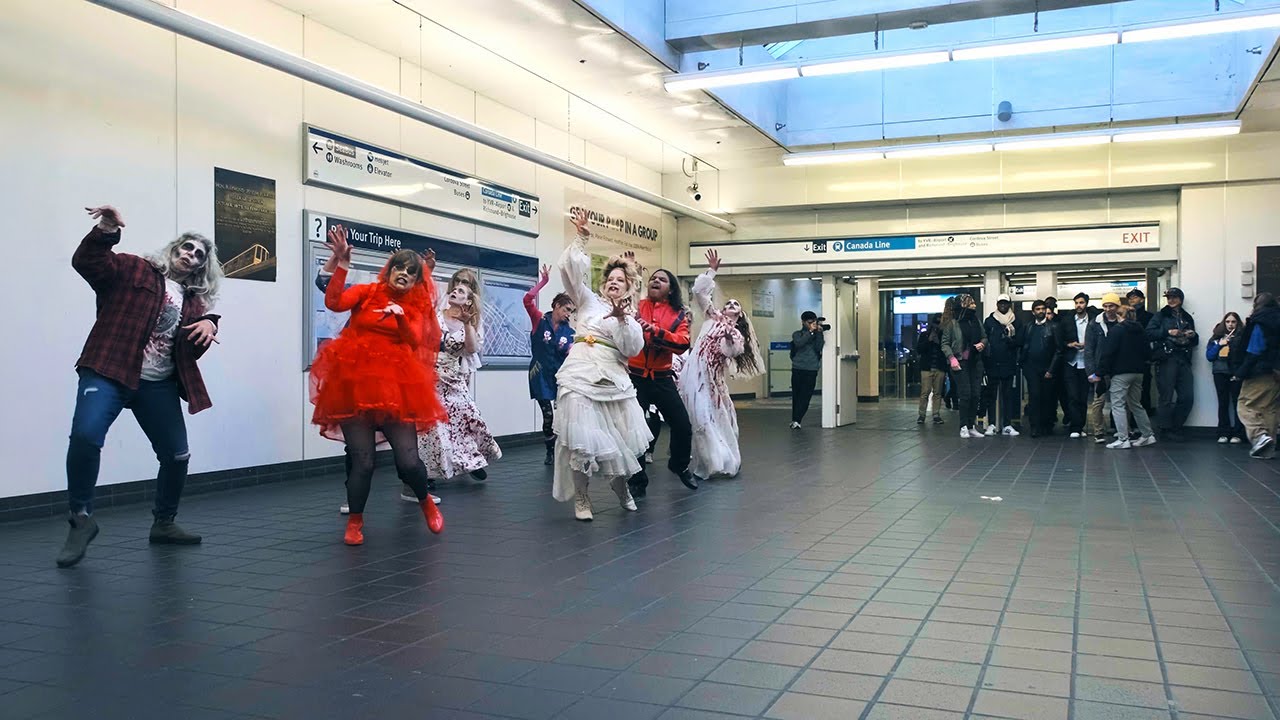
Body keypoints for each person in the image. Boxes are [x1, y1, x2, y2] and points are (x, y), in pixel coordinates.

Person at [57, 206, 224, 568]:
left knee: (177, 455)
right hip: (109, 368)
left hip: (157, 384)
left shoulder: (195, 304)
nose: (190, 255)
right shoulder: (133, 268)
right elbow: (87, 262)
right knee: (86, 436)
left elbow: (189, 353)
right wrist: (106, 229)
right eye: (186, 247)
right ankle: (81, 519)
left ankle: (164, 523)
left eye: (198, 254)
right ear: (174, 249)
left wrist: (210, 327)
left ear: (200, 266)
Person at [308, 224, 446, 545]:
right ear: (390, 270)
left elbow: (413, 340)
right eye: (399, 267)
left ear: (415, 280)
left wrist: (398, 316)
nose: (403, 274)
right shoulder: (368, 292)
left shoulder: (414, 306)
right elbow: (334, 302)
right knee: (363, 460)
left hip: (396, 386)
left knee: (409, 461)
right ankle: (355, 521)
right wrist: (342, 264)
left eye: (411, 273)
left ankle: (424, 501)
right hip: (354, 383)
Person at [553, 214, 649, 520]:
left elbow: (632, 348)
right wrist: (581, 238)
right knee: (581, 441)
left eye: (620, 281)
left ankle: (621, 487)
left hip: (612, 380)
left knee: (615, 440)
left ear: (629, 287)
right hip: (579, 373)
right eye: (610, 280)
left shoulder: (630, 318)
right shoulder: (588, 301)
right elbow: (570, 273)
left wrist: (621, 319)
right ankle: (581, 498)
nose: (613, 284)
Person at [680, 250, 764, 479]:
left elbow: (733, 350)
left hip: (712, 381)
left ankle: (719, 459)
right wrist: (711, 271)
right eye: (729, 302)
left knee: (710, 416)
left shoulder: (736, 333)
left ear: (740, 314)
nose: (731, 304)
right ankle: (702, 458)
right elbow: (699, 292)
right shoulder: (712, 316)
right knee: (696, 416)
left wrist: (728, 336)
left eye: (736, 304)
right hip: (693, 374)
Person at [417, 272, 502, 485]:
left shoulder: (472, 322)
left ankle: (471, 461)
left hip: (455, 378)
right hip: (431, 376)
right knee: (433, 427)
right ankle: (430, 472)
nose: (456, 290)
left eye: (463, 288)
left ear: (470, 299)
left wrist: (467, 325)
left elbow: (472, 349)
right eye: (456, 286)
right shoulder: (437, 313)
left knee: (464, 421)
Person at [627, 261, 695, 497]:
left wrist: (655, 332)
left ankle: (679, 465)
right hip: (634, 377)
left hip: (662, 377)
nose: (655, 281)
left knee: (683, 425)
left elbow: (683, 343)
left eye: (662, 279)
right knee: (634, 428)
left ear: (671, 289)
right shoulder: (637, 305)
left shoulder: (679, 315)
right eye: (653, 278)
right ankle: (637, 477)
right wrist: (631, 271)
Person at [524, 265, 575, 465]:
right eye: (566, 309)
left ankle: (564, 448)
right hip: (540, 374)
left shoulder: (568, 332)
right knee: (548, 415)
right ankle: (550, 451)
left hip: (560, 377)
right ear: (556, 306)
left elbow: (571, 352)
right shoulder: (539, 321)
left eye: (571, 311)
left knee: (563, 415)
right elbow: (527, 300)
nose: (568, 314)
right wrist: (543, 282)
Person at [1098, 305, 1157, 449]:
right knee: (1136, 404)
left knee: (1118, 405)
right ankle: (1147, 435)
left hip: (1120, 372)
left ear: (1119, 316)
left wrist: (1100, 372)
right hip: (1138, 373)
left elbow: (1108, 353)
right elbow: (1148, 353)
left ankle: (1123, 438)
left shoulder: (1117, 330)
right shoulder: (1141, 330)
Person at [1146, 288, 1198, 441]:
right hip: (1167, 357)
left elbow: (1194, 341)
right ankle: (1165, 428)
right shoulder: (1161, 315)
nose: (1171, 300)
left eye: (1174, 297)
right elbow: (1148, 333)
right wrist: (1168, 332)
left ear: (1180, 299)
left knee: (1187, 396)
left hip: (1184, 358)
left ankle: (1176, 426)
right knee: (1166, 396)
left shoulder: (1187, 317)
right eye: (1169, 297)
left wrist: (1193, 335)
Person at [1234, 293, 1280, 459]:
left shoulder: (1260, 321)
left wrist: (1241, 372)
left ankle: (1259, 436)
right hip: (1277, 372)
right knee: (1269, 409)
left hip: (1261, 371)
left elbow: (1255, 349)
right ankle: (1268, 448)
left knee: (1246, 404)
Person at [942, 293, 988, 439]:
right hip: (960, 363)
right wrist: (951, 358)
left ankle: (971, 425)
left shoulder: (975, 321)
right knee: (965, 395)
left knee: (976, 394)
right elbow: (945, 343)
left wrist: (982, 344)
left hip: (975, 362)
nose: (973, 305)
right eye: (970, 303)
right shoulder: (952, 323)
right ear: (962, 305)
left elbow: (984, 336)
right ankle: (963, 426)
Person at [1082, 293, 1122, 444]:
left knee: (1122, 402)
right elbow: (1089, 349)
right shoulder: (1095, 323)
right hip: (1101, 368)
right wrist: (1091, 371)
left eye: (1111, 305)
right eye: (1105, 306)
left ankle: (1121, 429)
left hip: (1119, 368)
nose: (1108, 309)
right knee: (1099, 401)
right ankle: (1098, 432)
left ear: (1117, 306)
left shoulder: (1123, 322)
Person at [1019, 300, 1062, 438]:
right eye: (1037, 309)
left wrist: (1051, 369)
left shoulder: (1054, 327)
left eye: (1043, 308)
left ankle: (1046, 425)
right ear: (1033, 312)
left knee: (1048, 398)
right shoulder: (1028, 327)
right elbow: (1023, 345)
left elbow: (1059, 350)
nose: (1041, 311)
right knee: (1034, 396)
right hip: (1031, 367)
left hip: (1048, 367)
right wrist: (1024, 364)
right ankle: (1035, 426)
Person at [981, 294, 1021, 436]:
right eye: (1001, 303)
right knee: (991, 395)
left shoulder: (1016, 321)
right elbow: (984, 340)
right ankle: (991, 423)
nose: (1003, 306)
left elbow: (1020, 341)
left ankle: (1007, 424)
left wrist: (1011, 340)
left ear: (1009, 304)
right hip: (992, 363)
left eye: (1006, 303)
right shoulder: (990, 321)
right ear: (997, 305)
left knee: (1007, 395)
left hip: (1008, 363)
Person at [1062, 293, 1099, 438]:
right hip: (1072, 361)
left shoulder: (1094, 321)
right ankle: (1075, 427)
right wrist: (1070, 344)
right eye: (1076, 303)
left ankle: (1081, 425)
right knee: (1072, 396)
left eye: (1081, 302)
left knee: (1083, 397)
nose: (1079, 305)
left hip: (1088, 363)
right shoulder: (1067, 321)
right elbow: (1060, 340)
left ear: (1087, 304)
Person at [1207, 312, 1245, 444]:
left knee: (1237, 403)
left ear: (1237, 323)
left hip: (1235, 373)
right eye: (1228, 322)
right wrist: (1220, 344)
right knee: (1223, 403)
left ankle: (1238, 433)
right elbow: (1210, 356)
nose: (1230, 324)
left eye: (1233, 322)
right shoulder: (1216, 338)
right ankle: (1223, 432)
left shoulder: (1242, 338)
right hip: (1220, 373)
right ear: (1224, 323)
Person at [791, 311, 826, 429]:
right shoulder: (797, 334)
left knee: (806, 396)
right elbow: (799, 343)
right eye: (810, 322)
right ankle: (795, 420)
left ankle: (797, 419)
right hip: (797, 368)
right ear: (803, 322)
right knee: (796, 395)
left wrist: (819, 333)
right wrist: (810, 332)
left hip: (811, 369)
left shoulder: (817, 334)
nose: (812, 324)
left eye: (814, 322)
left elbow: (819, 347)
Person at [1126, 288, 1156, 414]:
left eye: (1135, 297)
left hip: (1144, 357)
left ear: (1142, 299)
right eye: (1130, 298)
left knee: (1144, 388)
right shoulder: (1125, 316)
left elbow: (1151, 336)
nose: (1132, 299)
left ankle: (1145, 415)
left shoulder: (1150, 317)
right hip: (1127, 356)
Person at [917, 314, 946, 425]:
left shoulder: (944, 336)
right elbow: (919, 349)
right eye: (935, 323)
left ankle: (936, 414)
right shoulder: (924, 335)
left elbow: (945, 350)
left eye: (939, 324)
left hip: (939, 367)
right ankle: (921, 415)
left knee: (938, 393)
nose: (937, 326)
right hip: (926, 368)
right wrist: (929, 340)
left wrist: (938, 342)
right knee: (925, 392)